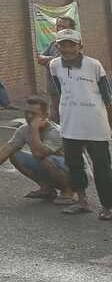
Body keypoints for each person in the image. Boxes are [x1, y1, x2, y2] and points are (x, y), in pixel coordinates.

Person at [47, 29, 112, 219]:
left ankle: (108, 206)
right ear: (57, 46)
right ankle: (82, 201)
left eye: (71, 44)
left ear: (80, 46)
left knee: (102, 167)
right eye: (62, 45)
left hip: (95, 125)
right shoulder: (54, 65)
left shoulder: (94, 65)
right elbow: (61, 90)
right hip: (70, 124)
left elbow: (107, 97)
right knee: (74, 165)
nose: (67, 49)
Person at [0, 95, 72, 201]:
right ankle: (47, 189)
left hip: (73, 173)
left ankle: (69, 192)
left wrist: (34, 129)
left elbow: (39, 153)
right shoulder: (23, 130)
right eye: (27, 112)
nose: (29, 116)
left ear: (45, 115)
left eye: (33, 114)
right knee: (15, 155)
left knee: (44, 158)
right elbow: (5, 150)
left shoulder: (55, 132)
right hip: (51, 166)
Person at [38, 16, 77, 87]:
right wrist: (52, 58)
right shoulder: (53, 44)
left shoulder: (75, 45)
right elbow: (39, 59)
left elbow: (61, 63)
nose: (60, 29)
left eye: (64, 27)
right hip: (53, 87)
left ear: (71, 29)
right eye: (58, 26)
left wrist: (48, 60)